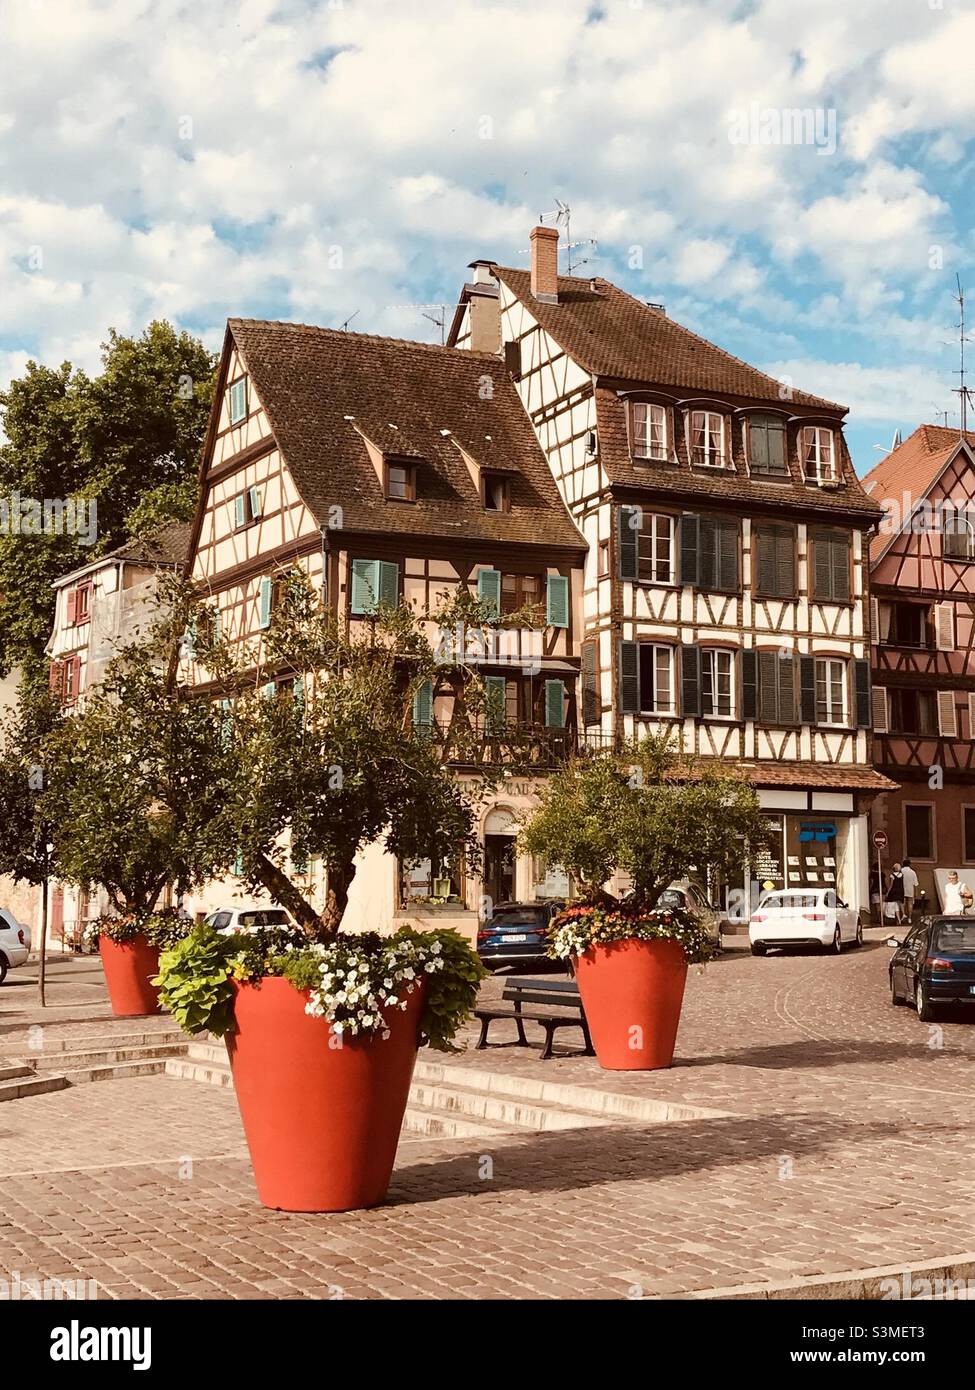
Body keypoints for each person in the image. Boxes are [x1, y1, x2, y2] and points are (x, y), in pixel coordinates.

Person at [900, 859, 919, 924]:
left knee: (903, 903)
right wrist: (916, 892)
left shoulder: (901, 871)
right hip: (910, 889)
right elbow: (915, 883)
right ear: (910, 864)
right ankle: (909, 918)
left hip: (902, 889)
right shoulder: (913, 872)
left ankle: (903, 915)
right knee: (910, 904)